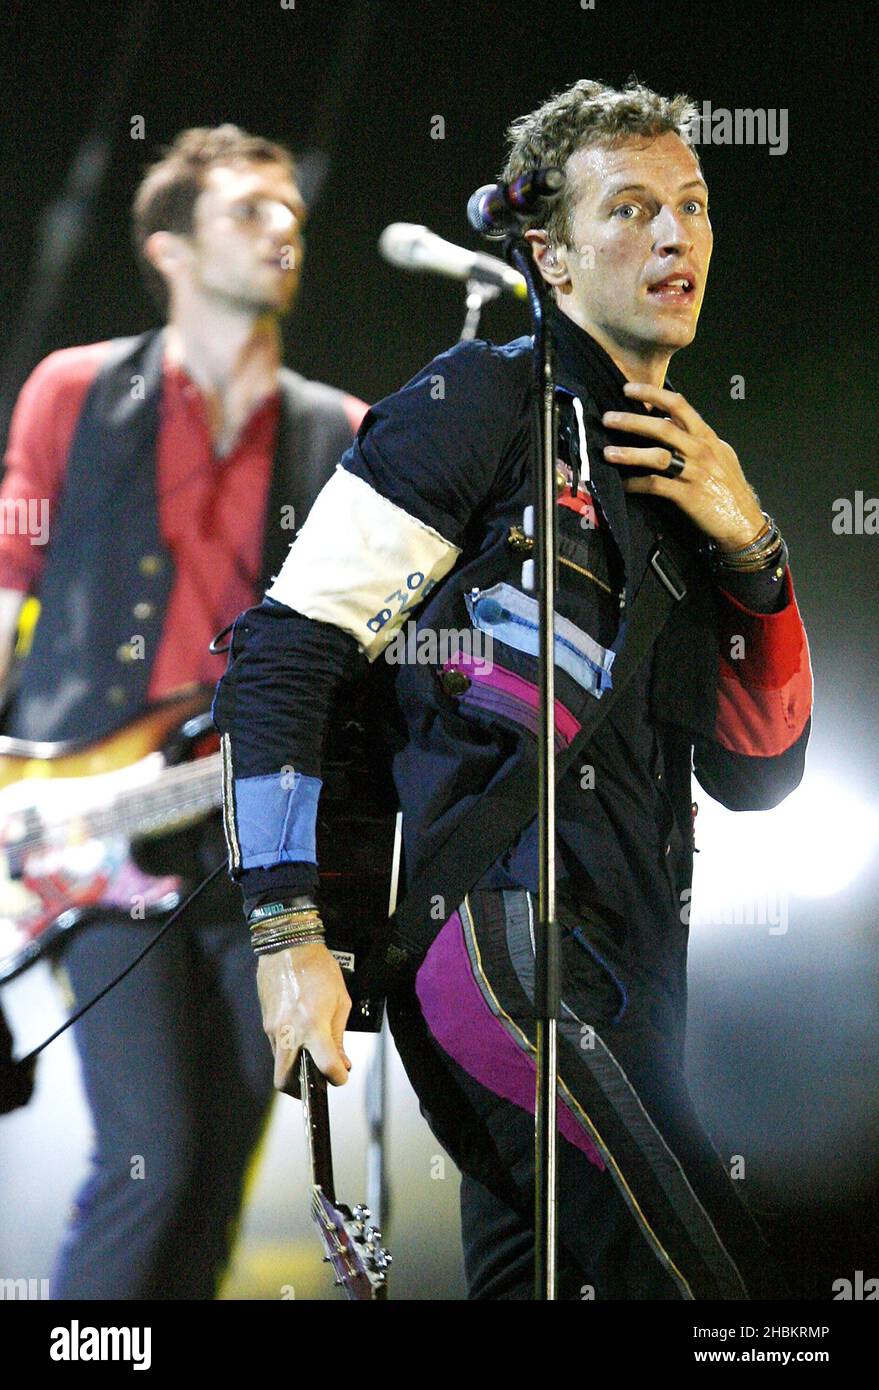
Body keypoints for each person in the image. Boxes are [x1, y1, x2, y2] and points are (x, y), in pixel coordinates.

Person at [212, 80, 814, 1300]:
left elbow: (760, 769)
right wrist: (286, 933)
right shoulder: (477, 398)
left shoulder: (685, 464)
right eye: (632, 209)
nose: (674, 238)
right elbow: (284, 650)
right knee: (728, 1299)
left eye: (692, 207)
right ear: (545, 249)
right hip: (502, 958)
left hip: (634, 976)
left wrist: (755, 554)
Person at [0, 124, 366, 1298]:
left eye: (291, 212)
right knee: (151, 1155)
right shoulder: (75, 389)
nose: (283, 228)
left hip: (250, 837)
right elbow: (9, 580)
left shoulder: (341, 431)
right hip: (79, 819)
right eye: (249, 210)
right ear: (166, 246)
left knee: (219, 1165)